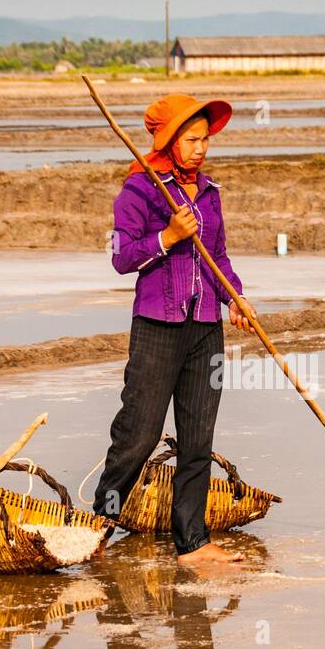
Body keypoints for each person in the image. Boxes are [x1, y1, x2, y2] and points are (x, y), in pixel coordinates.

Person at [93, 94, 256, 564]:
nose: (201, 148)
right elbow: (123, 257)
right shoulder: (140, 191)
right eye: (191, 139)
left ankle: (194, 542)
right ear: (168, 141)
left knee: (198, 436)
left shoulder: (209, 193)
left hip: (204, 327)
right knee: (138, 434)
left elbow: (218, 256)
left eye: (205, 139)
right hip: (157, 326)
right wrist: (168, 237)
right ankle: (100, 522)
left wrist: (236, 297)